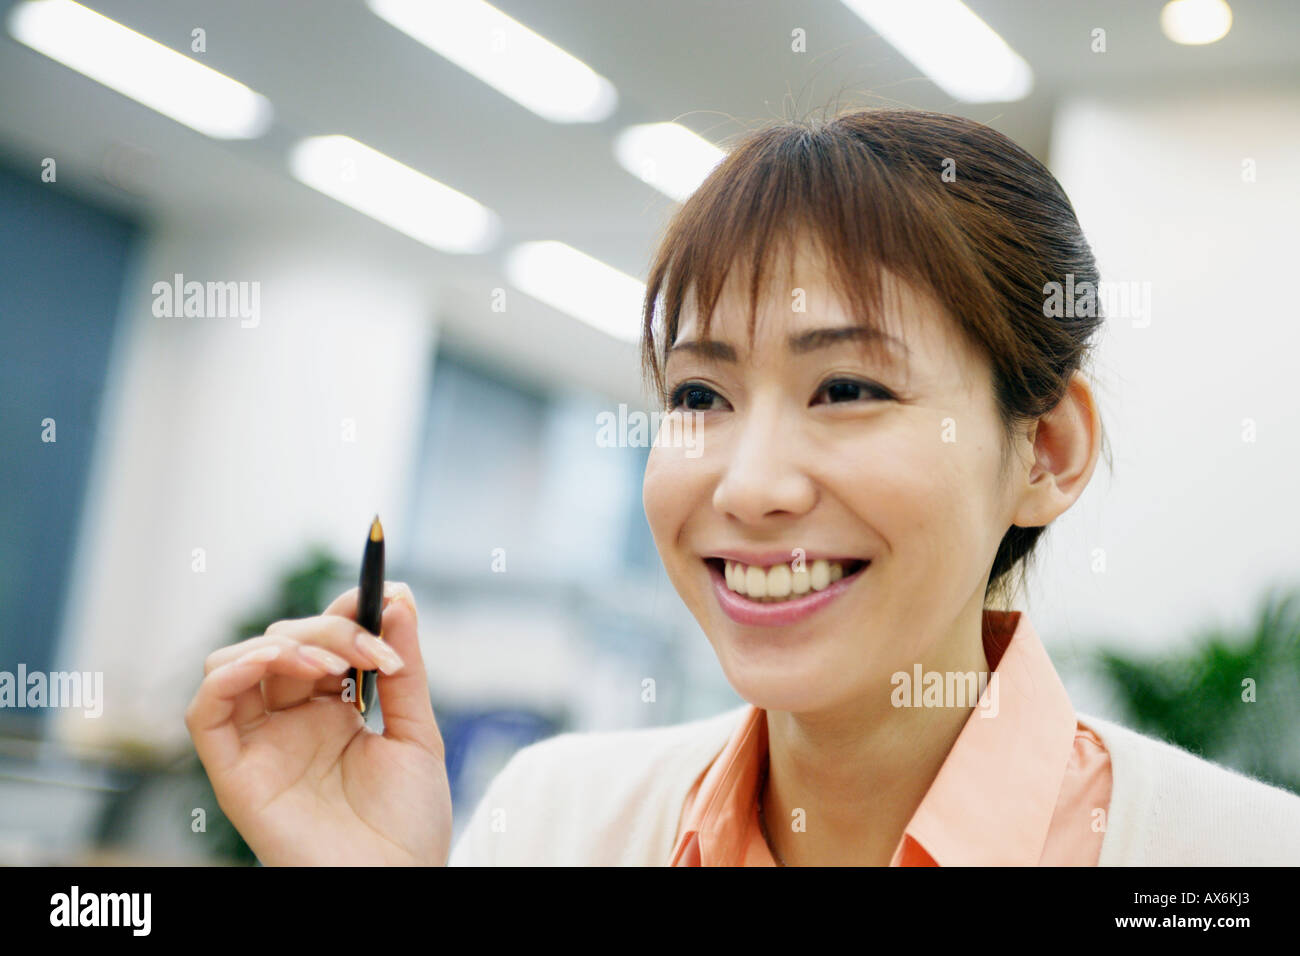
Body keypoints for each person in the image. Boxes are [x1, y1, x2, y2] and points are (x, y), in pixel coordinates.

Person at [186, 107, 1300, 866]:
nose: (751, 482)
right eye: (701, 396)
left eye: (849, 385)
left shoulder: (1225, 861)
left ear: (1045, 450)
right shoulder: (556, 819)